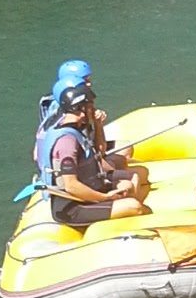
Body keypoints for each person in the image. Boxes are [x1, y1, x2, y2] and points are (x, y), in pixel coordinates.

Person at [42, 82, 150, 225]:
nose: (93, 109)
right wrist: (104, 197)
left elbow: (99, 152)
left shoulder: (78, 128)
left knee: (127, 185)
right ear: (80, 109)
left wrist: (98, 124)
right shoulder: (67, 142)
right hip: (73, 208)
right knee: (134, 206)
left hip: (91, 188)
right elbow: (71, 186)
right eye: (90, 106)